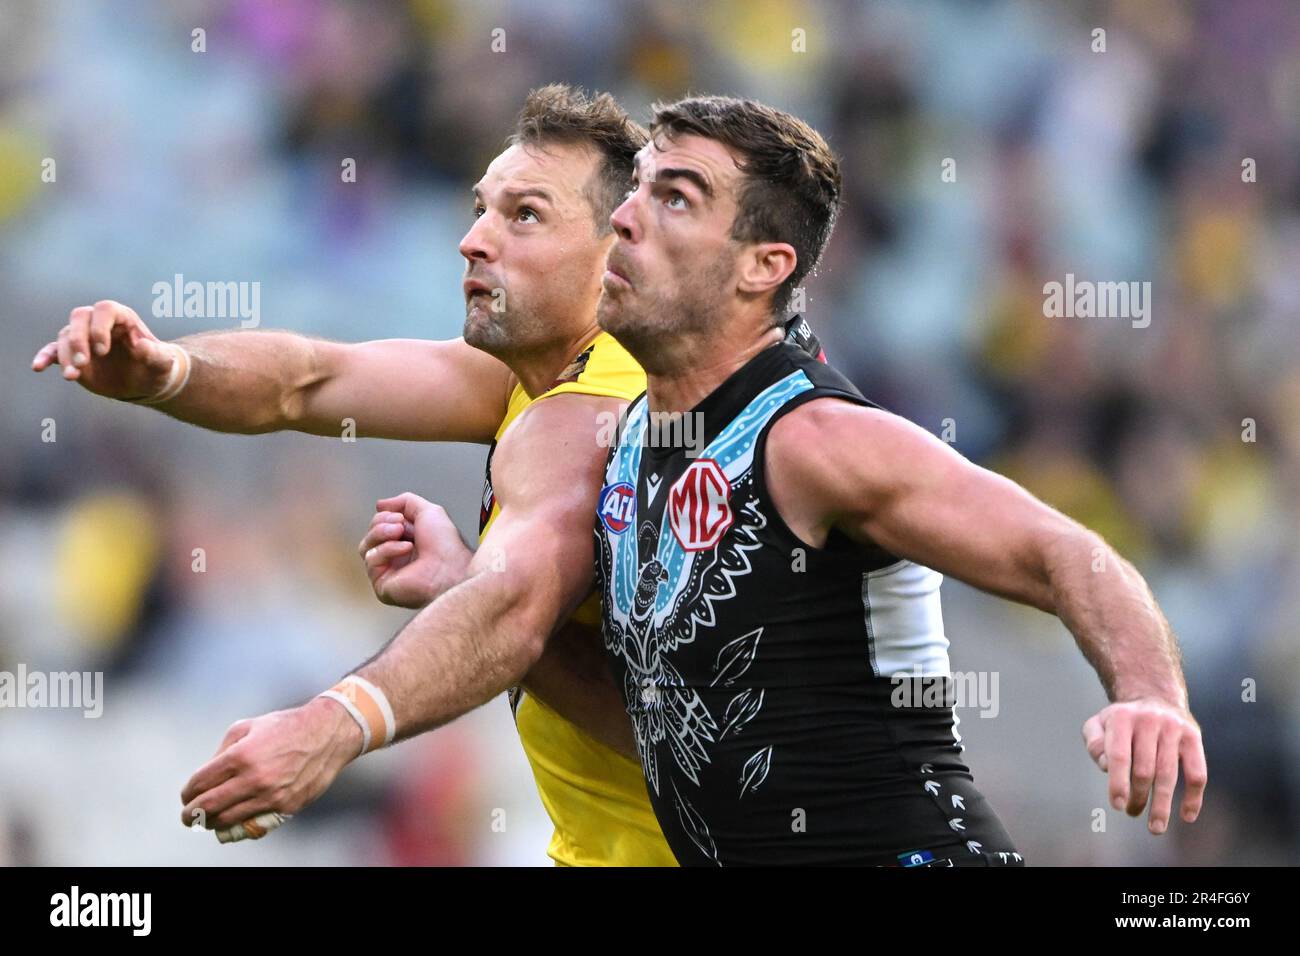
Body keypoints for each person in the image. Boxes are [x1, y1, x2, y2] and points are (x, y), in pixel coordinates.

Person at [31, 85, 677, 867]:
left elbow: (512, 614)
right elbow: (308, 380)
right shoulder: (533, 377)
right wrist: (164, 370)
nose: (474, 239)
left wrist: (331, 725)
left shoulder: (603, 407)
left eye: (524, 215)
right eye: (481, 208)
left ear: (618, 248)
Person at [590, 94, 1208, 865]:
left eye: (675, 197)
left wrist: (1149, 694)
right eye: (637, 185)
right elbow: (671, 722)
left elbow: (1067, 552)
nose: (625, 216)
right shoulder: (631, 440)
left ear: (763, 266)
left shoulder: (816, 439)